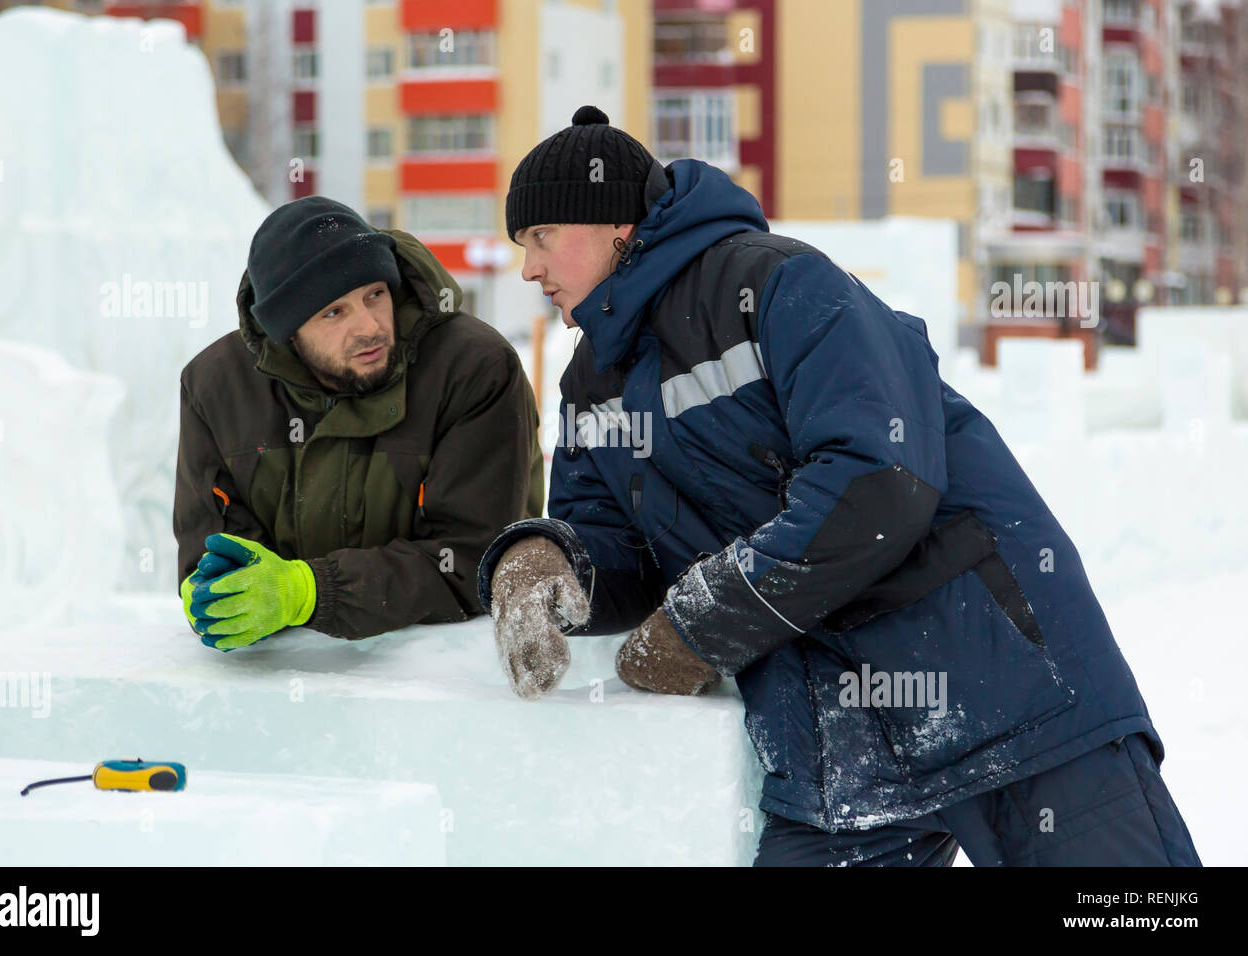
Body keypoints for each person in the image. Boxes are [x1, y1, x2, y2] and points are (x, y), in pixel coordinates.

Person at [476, 105, 1201, 866]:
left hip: (998, 680)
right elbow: (625, 549)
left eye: (541, 237)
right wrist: (549, 561)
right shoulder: (591, 386)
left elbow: (877, 482)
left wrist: (703, 625)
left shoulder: (778, 284)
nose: (530, 268)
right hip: (834, 741)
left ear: (614, 224)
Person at [174, 196, 543, 649]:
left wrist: (311, 591)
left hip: (440, 667)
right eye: (334, 312)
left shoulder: (472, 368)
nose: (369, 327)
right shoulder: (216, 387)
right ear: (286, 331)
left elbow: (474, 558)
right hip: (280, 671)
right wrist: (215, 588)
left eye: (375, 294)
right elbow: (210, 548)